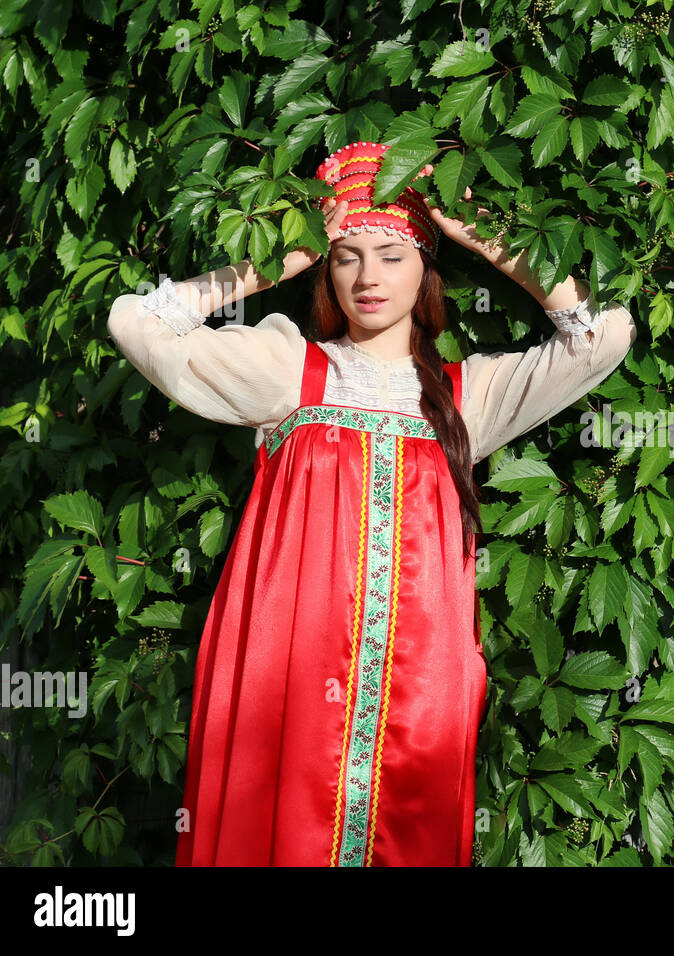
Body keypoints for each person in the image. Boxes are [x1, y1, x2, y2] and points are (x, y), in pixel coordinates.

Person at [105, 140, 637, 865]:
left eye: (392, 254)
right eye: (348, 255)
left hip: (423, 698)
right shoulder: (288, 369)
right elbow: (137, 323)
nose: (368, 276)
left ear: (426, 269)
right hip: (287, 686)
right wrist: (270, 264)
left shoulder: (465, 396)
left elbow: (602, 335)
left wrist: (495, 245)